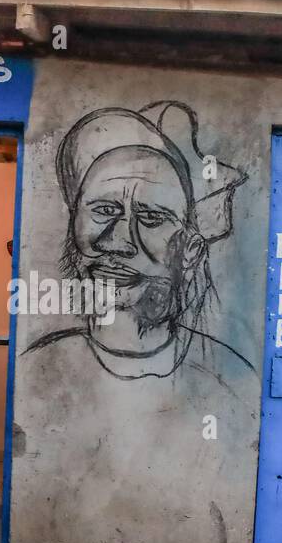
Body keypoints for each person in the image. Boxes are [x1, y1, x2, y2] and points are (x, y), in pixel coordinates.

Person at [24, 100, 254, 383]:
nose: (118, 241)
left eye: (152, 218)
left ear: (190, 251)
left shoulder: (232, 379)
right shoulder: (37, 369)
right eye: (104, 210)